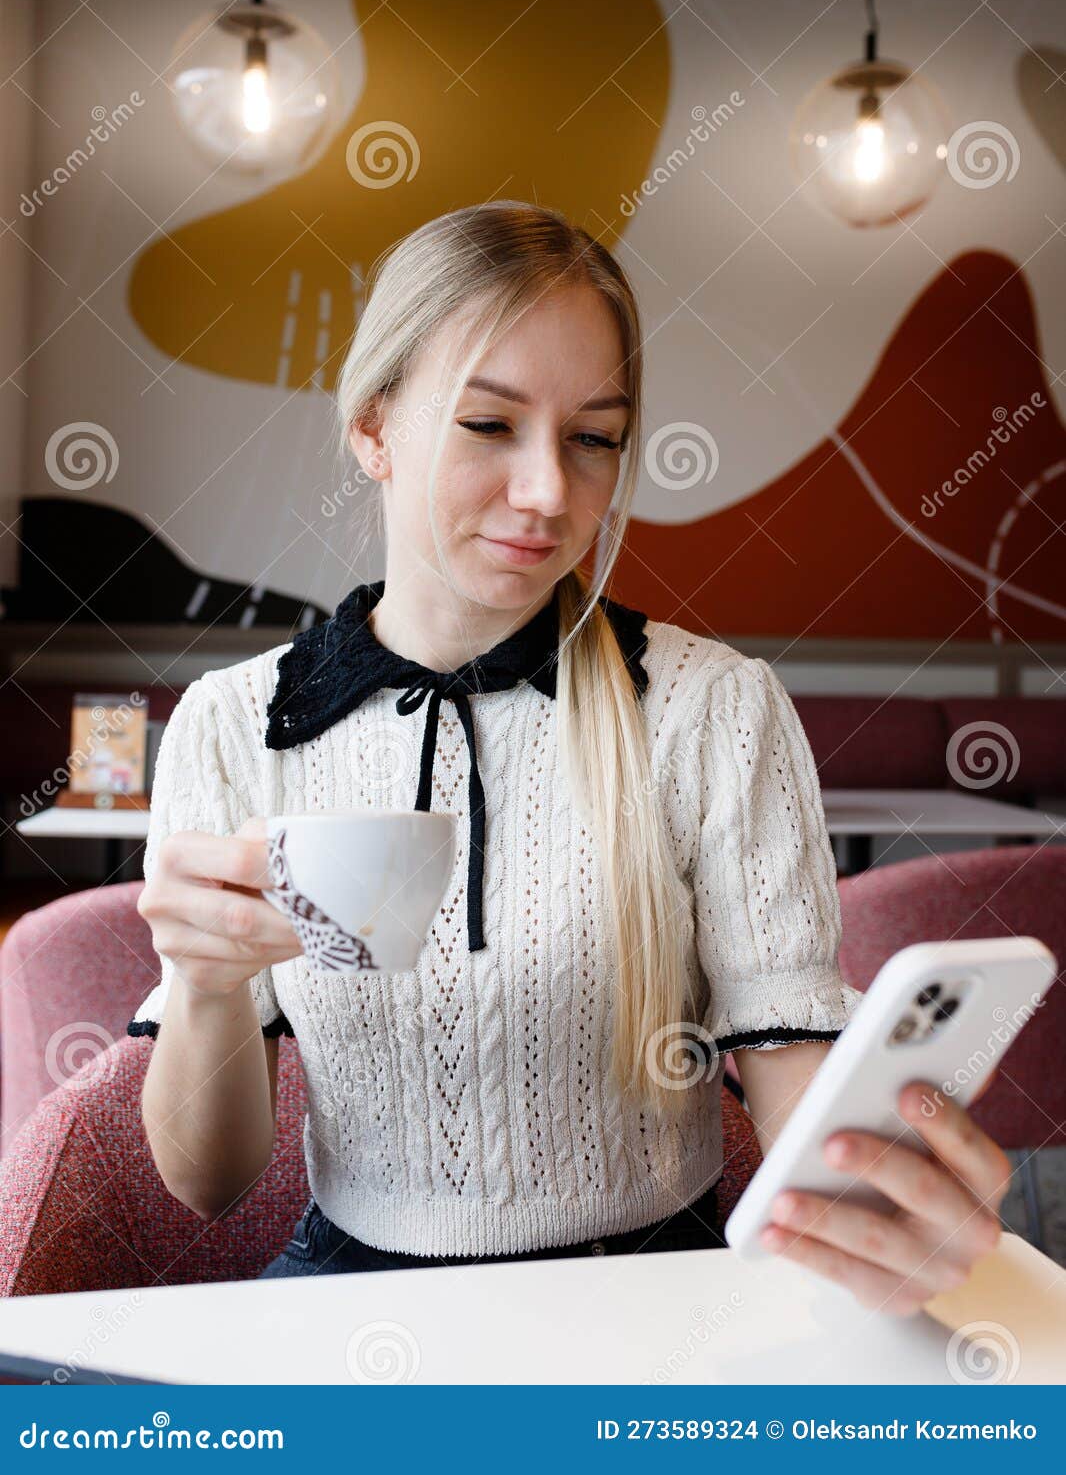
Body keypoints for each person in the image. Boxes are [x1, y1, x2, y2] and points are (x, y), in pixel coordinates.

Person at [130, 201, 1011, 1311]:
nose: (550, 493)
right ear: (373, 426)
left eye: (593, 437)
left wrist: (872, 1205)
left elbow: (795, 1091)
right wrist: (208, 988)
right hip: (350, 1305)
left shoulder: (713, 708)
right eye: (489, 424)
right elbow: (206, 1186)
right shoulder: (229, 724)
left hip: (654, 1299)